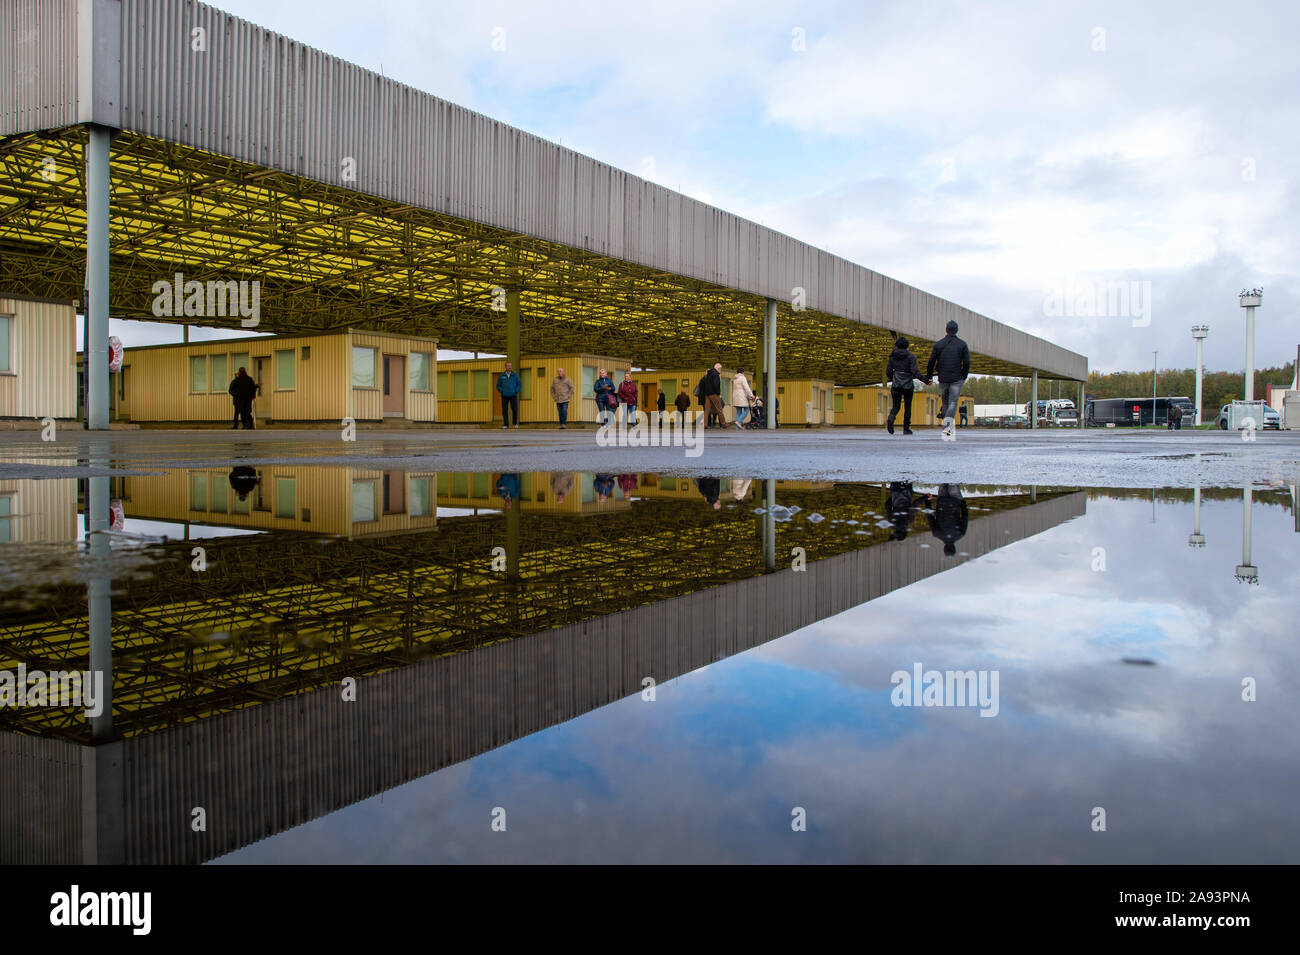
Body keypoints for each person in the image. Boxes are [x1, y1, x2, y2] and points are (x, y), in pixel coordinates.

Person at [925, 320, 971, 438]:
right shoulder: (962, 344)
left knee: (945, 402)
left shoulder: (939, 344)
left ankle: (946, 426)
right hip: (957, 377)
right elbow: (966, 362)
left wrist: (929, 376)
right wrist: (964, 375)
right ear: (956, 330)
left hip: (943, 377)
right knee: (953, 402)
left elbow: (931, 361)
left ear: (946, 329)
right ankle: (947, 428)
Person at [884, 337, 928, 435]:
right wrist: (925, 380)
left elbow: (888, 371)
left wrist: (894, 378)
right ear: (907, 346)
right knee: (907, 407)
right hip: (908, 385)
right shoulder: (911, 357)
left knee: (896, 406)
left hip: (896, 385)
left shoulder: (892, 356)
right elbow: (915, 372)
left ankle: (891, 417)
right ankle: (906, 428)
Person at [927, 484, 969, 556]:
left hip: (955, 501)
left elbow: (965, 517)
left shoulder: (960, 534)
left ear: (954, 548)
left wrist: (963, 503)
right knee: (943, 478)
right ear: (944, 548)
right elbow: (930, 517)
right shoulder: (937, 534)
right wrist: (928, 501)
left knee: (953, 480)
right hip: (942, 501)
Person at [702, 363, 730, 429]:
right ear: (718, 368)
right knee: (719, 409)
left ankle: (705, 424)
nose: (720, 370)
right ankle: (724, 424)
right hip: (714, 394)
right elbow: (716, 385)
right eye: (720, 369)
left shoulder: (707, 374)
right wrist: (718, 393)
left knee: (706, 410)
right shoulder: (716, 374)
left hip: (707, 395)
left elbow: (703, 385)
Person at [496, 362, 522, 430]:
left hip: (513, 395)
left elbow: (519, 384)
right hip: (504, 396)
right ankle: (506, 424)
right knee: (505, 410)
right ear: (505, 367)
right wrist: (501, 391)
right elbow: (498, 385)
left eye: (510, 366)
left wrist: (516, 390)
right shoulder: (501, 376)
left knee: (515, 409)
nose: (509, 367)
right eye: (508, 366)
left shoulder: (515, 375)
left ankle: (515, 423)